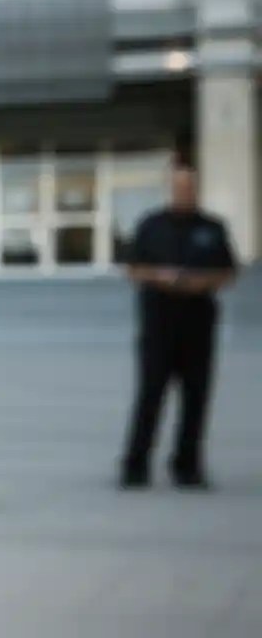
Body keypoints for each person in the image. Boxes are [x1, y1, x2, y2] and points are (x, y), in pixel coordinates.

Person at [119, 162, 237, 490]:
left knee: (196, 398)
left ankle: (187, 465)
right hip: (158, 325)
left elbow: (228, 273)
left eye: (190, 187)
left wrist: (200, 282)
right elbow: (132, 268)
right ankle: (135, 465)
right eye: (179, 187)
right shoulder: (151, 225)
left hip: (198, 326)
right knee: (150, 395)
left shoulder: (213, 228)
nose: (185, 192)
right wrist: (161, 276)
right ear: (170, 189)